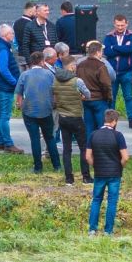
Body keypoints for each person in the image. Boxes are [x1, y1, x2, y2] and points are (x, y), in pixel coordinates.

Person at [15, 51, 62, 174]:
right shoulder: (49, 74)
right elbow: (55, 91)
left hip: (29, 110)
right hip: (46, 110)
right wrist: (54, 103)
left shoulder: (25, 75)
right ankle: (57, 165)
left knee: (35, 139)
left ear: (31, 62)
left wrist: (19, 104)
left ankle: (37, 167)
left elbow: (19, 93)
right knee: (50, 138)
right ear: (42, 61)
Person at [86, 109, 129, 235]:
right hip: (114, 174)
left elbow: (88, 157)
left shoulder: (93, 135)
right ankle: (108, 231)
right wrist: (120, 166)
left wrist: (96, 166)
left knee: (96, 200)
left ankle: (92, 229)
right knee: (112, 201)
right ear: (114, 121)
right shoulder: (118, 136)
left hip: (99, 173)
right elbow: (125, 157)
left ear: (105, 119)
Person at [54, 49, 92, 184]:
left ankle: (69, 178)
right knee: (83, 147)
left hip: (63, 117)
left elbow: (54, 96)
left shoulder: (55, 80)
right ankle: (86, 176)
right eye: (75, 65)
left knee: (66, 149)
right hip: (76, 117)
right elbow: (88, 95)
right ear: (71, 67)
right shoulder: (77, 81)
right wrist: (81, 97)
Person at [0, 23, 23, 153]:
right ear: (5, 35)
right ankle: (8, 144)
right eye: (12, 33)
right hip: (4, 87)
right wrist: (14, 82)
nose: (13, 35)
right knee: (4, 116)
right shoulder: (3, 49)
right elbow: (3, 69)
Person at [102, 16, 132, 128]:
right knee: (111, 97)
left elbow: (130, 49)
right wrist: (122, 48)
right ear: (114, 24)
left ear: (127, 24)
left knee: (128, 97)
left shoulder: (131, 35)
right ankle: (111, 122)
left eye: (122, 25)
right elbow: (107, 52)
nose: (120, 27)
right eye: (118, 25)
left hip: (126, 72)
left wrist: (114, 47)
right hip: (112, 72)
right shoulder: (109, 36)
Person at [77, 40, 113, 139]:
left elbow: (77, 82)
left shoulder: (80, 65)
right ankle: (101, 146)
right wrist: (108, 97)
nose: (102, 54)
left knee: (88, 127)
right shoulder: (101, 66)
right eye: (101, 51)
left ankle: (89, 147)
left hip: (86, 100)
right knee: (102, 127)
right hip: (99, 100)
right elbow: (106, 85)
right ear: (97, 52)